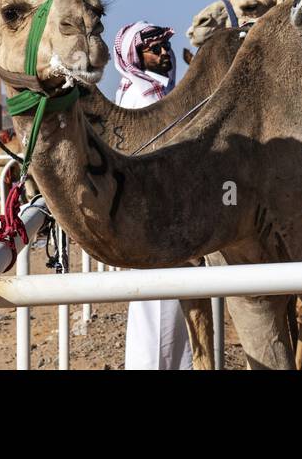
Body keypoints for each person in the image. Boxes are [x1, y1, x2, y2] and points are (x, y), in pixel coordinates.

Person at [112, 21, 192, 370]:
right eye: (154, 49)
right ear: (136, 56)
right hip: (156, 218)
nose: (164, 54)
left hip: (159, 214)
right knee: (160, 306)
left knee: (165, 311)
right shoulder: (144, 97)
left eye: (165, 48)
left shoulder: (152, 91)